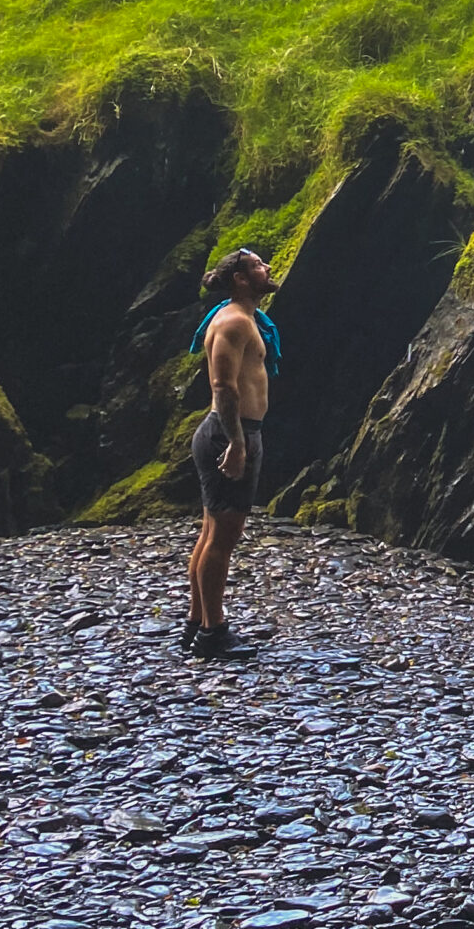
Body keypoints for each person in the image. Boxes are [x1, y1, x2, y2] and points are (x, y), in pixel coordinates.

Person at [185, 247, 278, 660]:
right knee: (223, 538)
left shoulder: (247, 319)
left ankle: (197, 622)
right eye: (258, 265)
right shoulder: (233, 322)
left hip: (237, 432)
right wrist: (237, 443)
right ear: (240, 278)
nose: (268, 268)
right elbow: (223, 386)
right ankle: (213, 633)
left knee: (211, 534)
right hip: (230, 434)